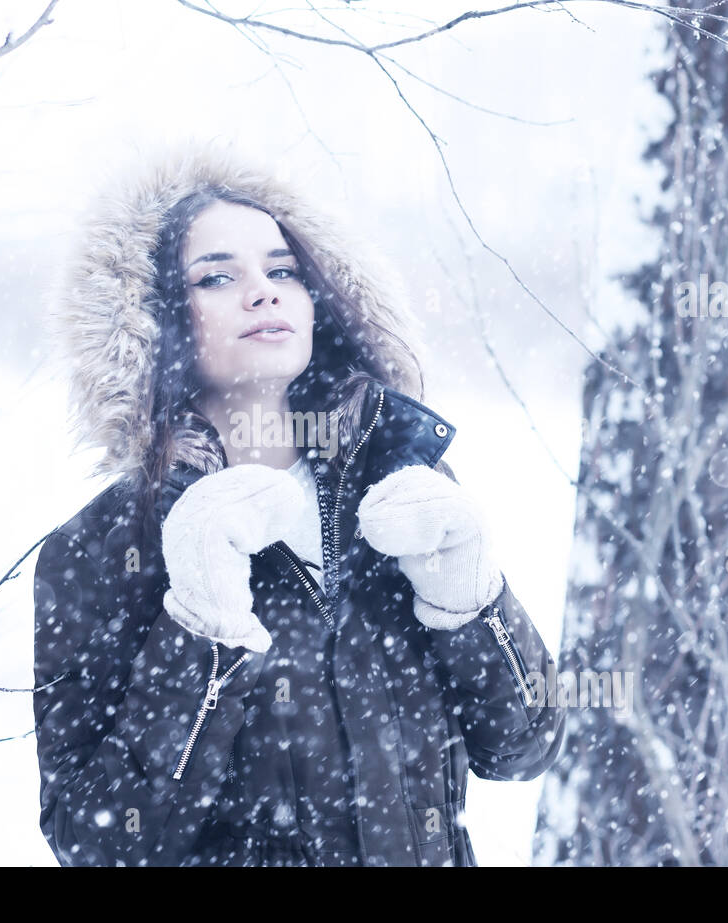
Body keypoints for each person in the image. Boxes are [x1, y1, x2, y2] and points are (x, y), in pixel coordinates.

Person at [32, 142, 566, 866]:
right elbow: (98, 841)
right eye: (216, 277)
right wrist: (201, 633)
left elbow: (524, 748)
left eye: (282, 270)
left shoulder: (405, 489)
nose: (263, 291)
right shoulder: (104, 546)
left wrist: (472, 600)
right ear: (156, 321)